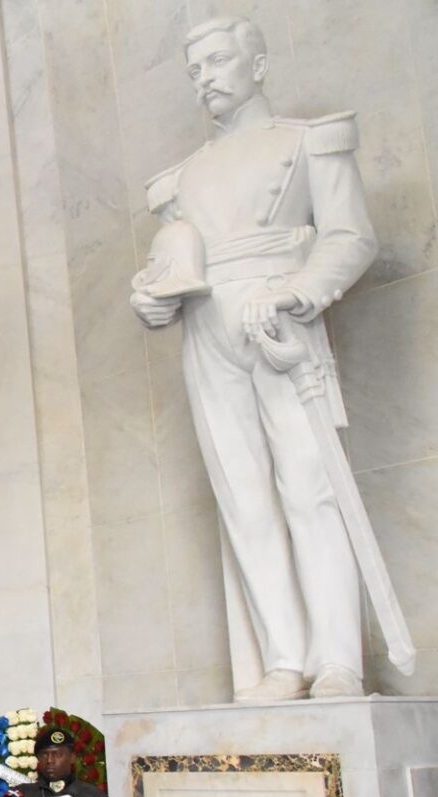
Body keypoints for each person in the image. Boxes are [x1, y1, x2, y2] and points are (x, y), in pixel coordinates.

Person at [129, 16, 383, 701]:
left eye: (217, 61)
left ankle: (337, 660)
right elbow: (172, 266)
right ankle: (283, 660)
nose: (205, 78)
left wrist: (298, 291)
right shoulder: (180, 180)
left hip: (280, 321)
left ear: (258, 65)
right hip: (208, 332)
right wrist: (154, 302)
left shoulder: (307, 141)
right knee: (244, 501)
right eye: (195, 69)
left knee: (311, 488)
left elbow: (350, 236)